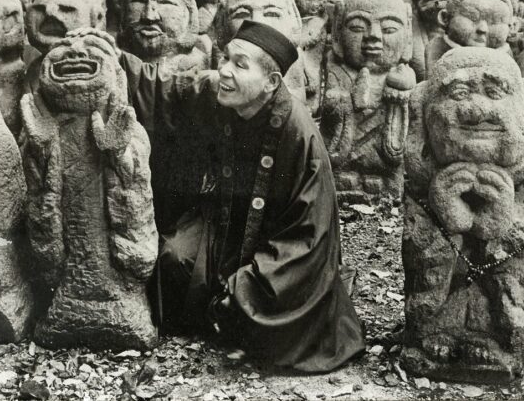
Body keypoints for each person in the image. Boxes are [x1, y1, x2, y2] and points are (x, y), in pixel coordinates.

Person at [149, 20, 365, 372]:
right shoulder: (222, 94)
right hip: (223, 225)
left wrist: (252, 279)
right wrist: (109, 56)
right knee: (172, 258)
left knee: (253, 305)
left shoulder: (300, 134)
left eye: (239, 64)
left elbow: (309, 233)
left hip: (283, 247)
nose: (224, 72)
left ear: (271, 82)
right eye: (225, 60)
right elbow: (163, 88)